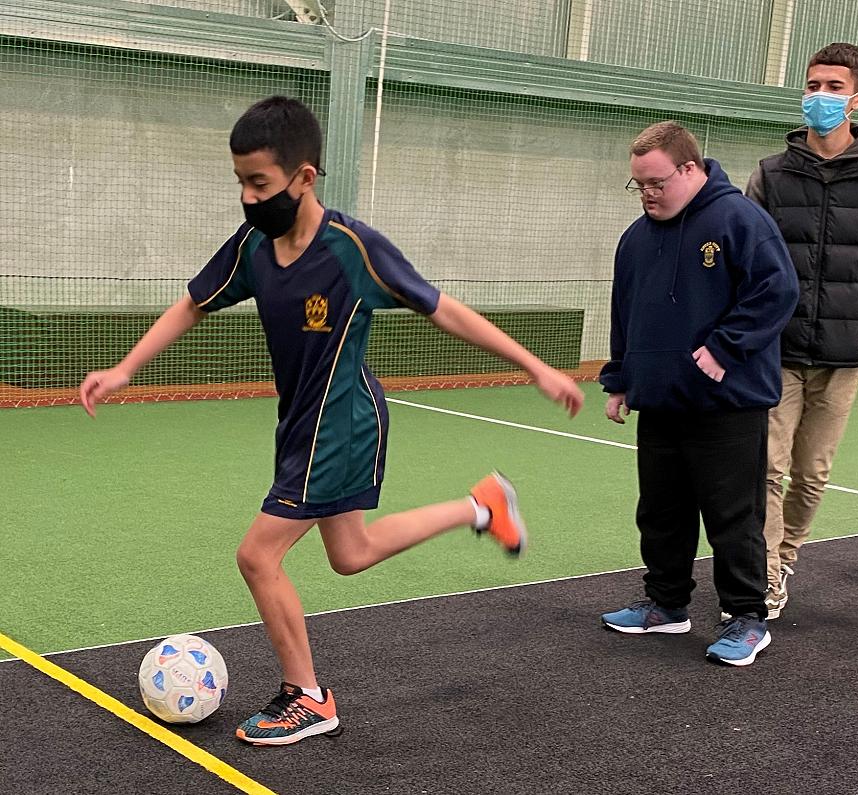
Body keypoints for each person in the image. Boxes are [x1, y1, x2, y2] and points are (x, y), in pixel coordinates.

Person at [78, 96, 584, 746]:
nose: (248, 196)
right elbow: (193, 303)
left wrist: (534, 366)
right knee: (352, 552)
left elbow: (444, 309)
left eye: (259, 182)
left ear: (304, 177)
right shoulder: (254, 246)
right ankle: (480, 505)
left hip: (342, 423)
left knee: (257, 556)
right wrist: (125, 369)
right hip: (303, 424)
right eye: (240, 182)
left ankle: (308, 696)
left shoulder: (352, 249)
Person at [598, 121, 798, 667]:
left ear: (691, 169)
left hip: (728, 404)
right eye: (638, 185)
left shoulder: (740, 219)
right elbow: (626, 314)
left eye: (657, 182)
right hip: (661, 402)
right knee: (661, 511)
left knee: (733, 516)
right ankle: (666, 605)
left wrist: (724, 348)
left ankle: (747, 617)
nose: (648, 194)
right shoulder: (636, 238)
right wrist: (619, 379)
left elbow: (777, 291)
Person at [745, 43, 858, 618]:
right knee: (766, 469)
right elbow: (744, 262)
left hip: (847, 356)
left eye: (831, 87)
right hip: (776, 352)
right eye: (812, 85)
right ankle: (767, 574)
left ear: (857, 99)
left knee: (812, 473)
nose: (818, 97)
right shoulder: (771, 174)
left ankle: (787, 554)